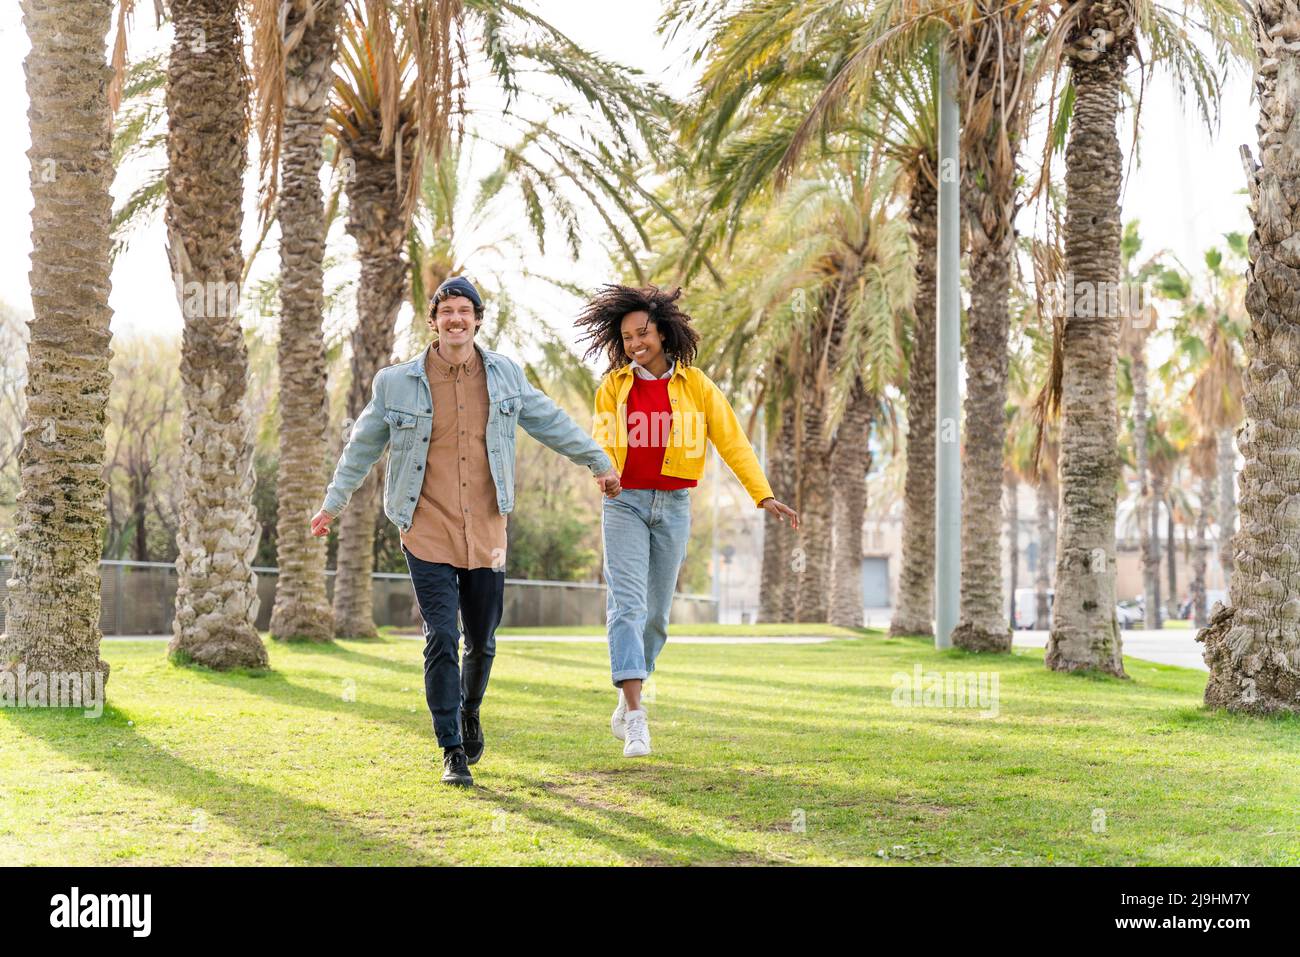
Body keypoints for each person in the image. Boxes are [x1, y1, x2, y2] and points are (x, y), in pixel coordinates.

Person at [311, 276, 621, 786]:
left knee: (482, 638)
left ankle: (469, 710)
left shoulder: (505, 377)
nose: (455, 319)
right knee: (441, 635)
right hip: (425, 524)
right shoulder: (395, 383)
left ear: (477, 319)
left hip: (488, 526)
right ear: (432, 322)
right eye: (446, 311)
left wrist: (597, 461)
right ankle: (451, 747)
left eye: (464, 311)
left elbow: (550, 420)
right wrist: (332, 502)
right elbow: (362, 445)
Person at [582, 284, 798, 757]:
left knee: (657, 617)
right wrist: (605, 473)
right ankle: (636, 716)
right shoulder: (614, 387)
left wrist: (763, 495)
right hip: (625, 503)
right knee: (627, 606)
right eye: (627, 337)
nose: (635, 343)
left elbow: (732, 441)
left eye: (643, 333)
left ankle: (626, 696)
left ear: (662, 332)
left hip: (674, 504)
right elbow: (600, 437)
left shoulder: (696, 386)